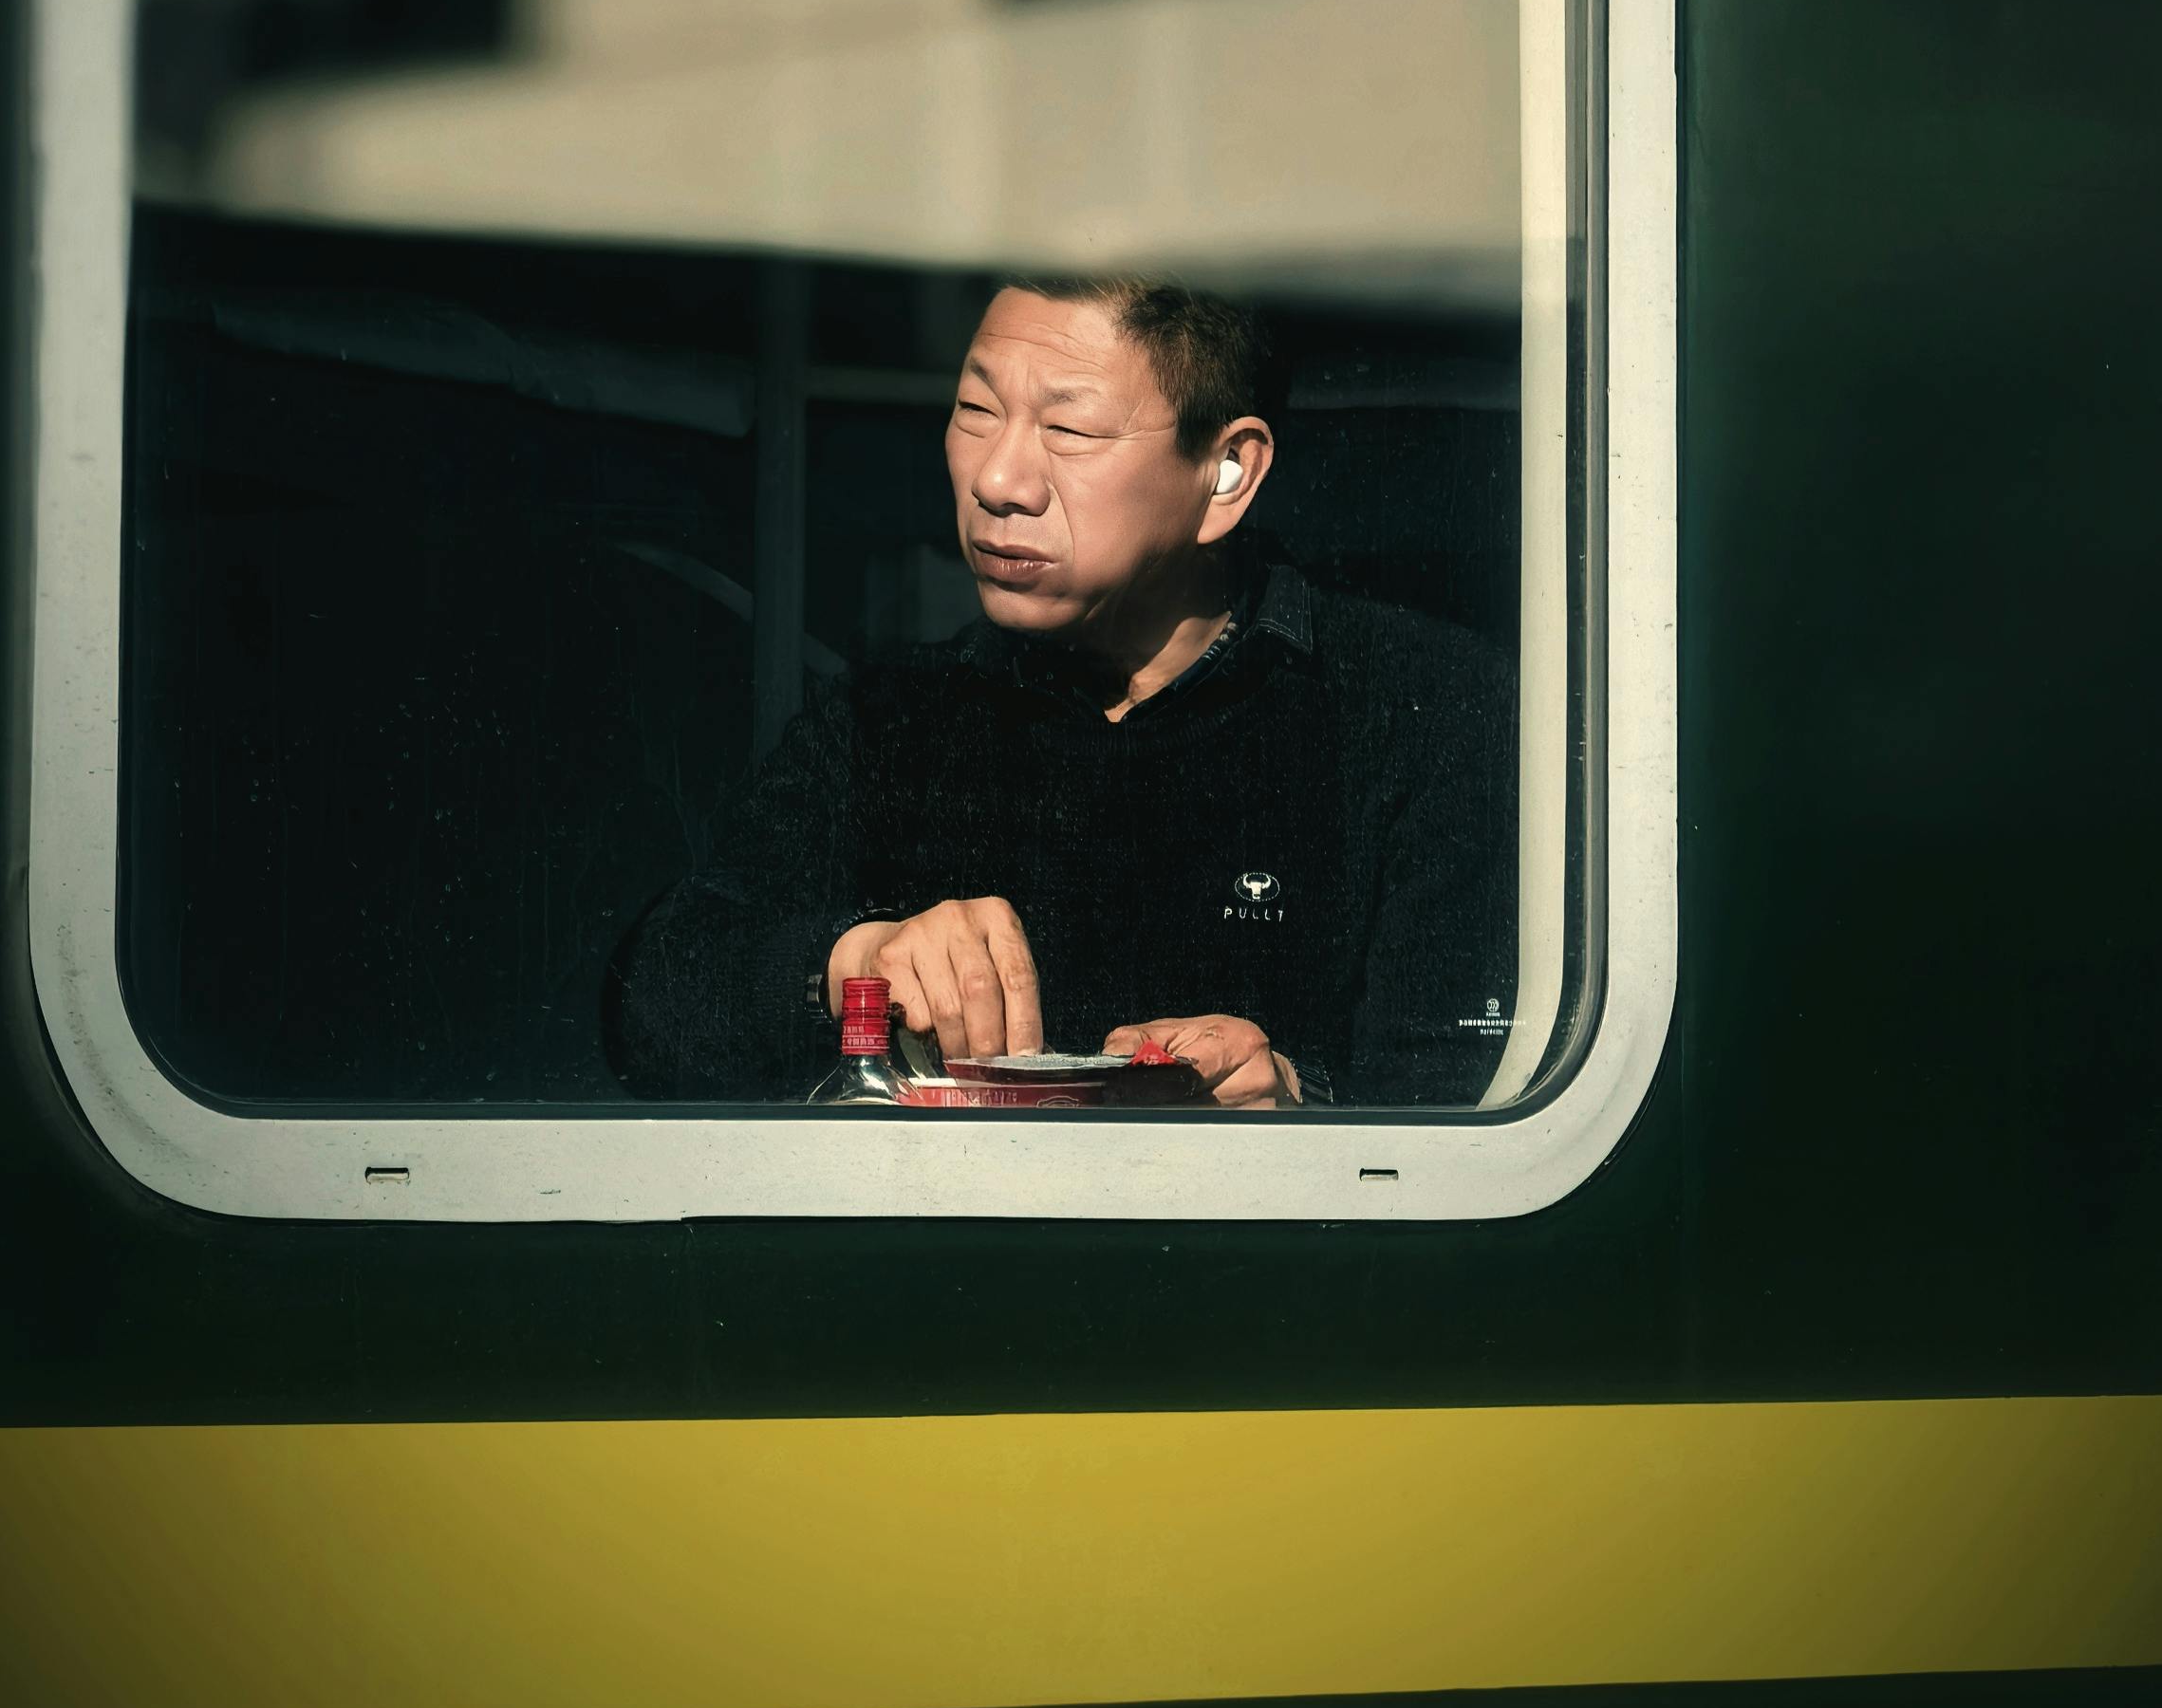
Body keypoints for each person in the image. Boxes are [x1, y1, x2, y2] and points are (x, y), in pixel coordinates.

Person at [608, 276, 1516, 1109]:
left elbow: (1482, 1097)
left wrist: (1298, 1098)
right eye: (976, 411)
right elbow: (652, 1004)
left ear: (1228, 473)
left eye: (1069, 431)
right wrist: (853, 962)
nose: (998, 481)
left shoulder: (1421, 708)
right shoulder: (891, 717)